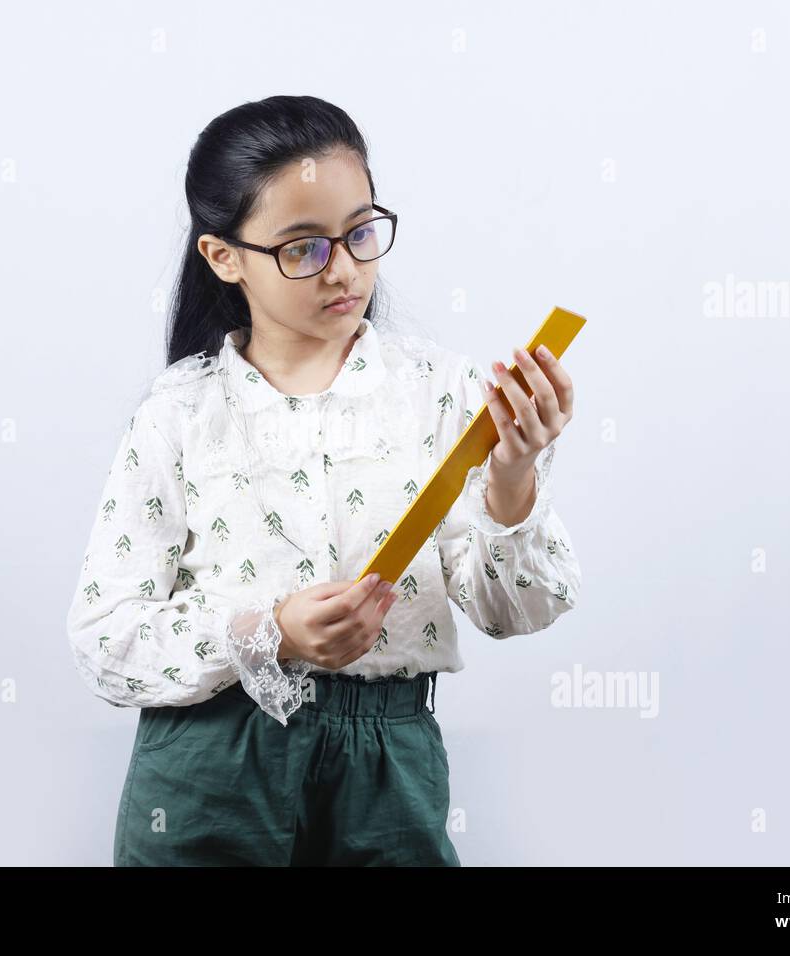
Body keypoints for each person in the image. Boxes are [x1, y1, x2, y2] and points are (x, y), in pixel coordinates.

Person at [66, 94, 581, 866]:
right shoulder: (179, 411)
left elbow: (520, 612)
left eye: (361, 233)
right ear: (223, 256)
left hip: (388, 767)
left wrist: (511, 478)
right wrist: (267, 631)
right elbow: (105, 640)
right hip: (209, 767)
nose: (343, 269)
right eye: (303, 247)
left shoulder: (441, 392)